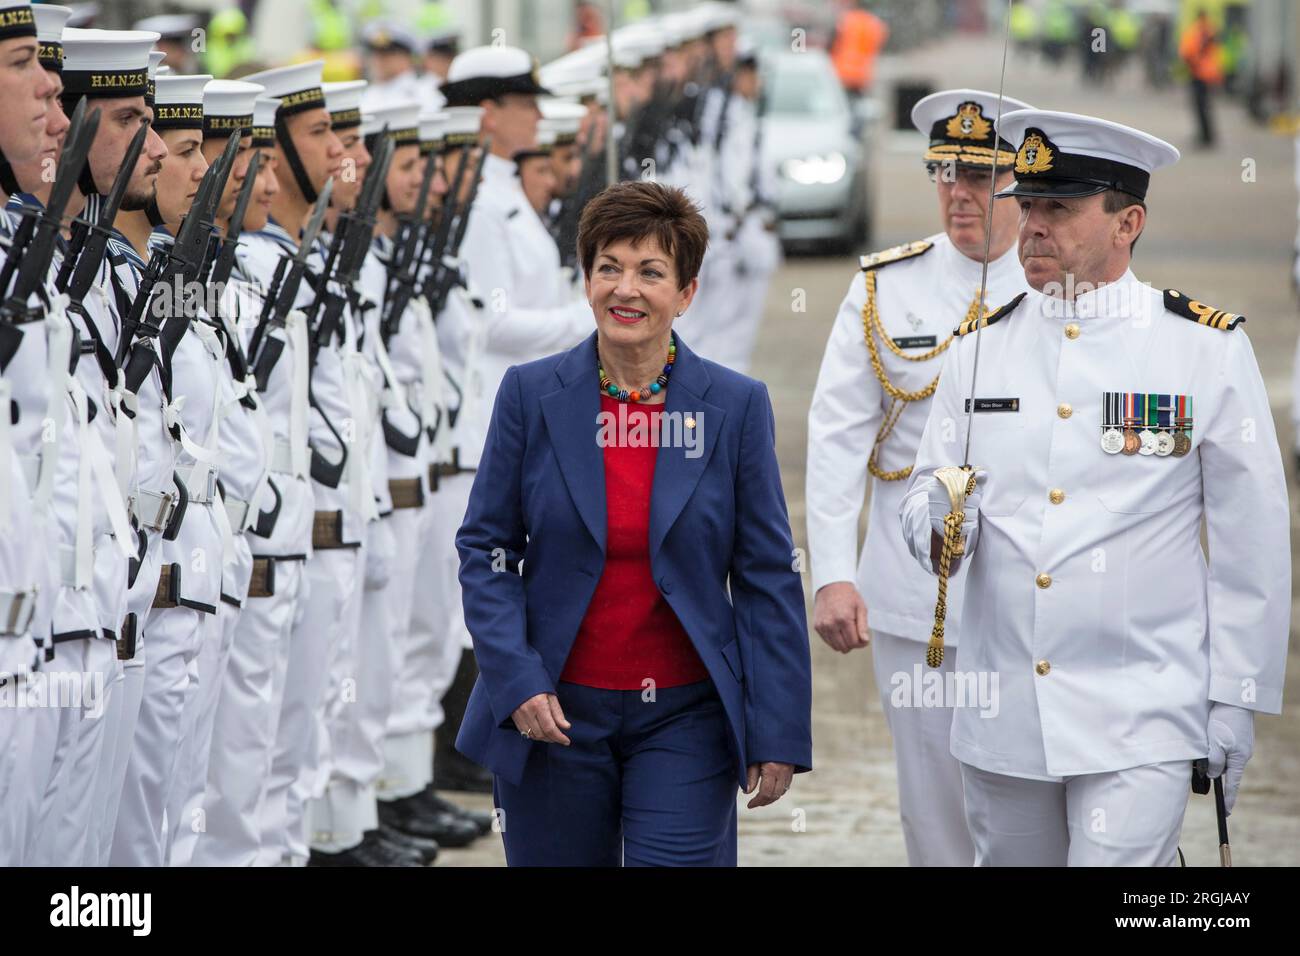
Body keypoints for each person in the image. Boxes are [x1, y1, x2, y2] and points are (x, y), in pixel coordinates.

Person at [900, 109, 1290, 866]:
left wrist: (1237, 698)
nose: (1033, 228)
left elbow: (1253, 539)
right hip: (1005, 710)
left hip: (1141, 711)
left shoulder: (1201, 348)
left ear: (1127, 222)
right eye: (1029, 206)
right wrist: (940, 520)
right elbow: (924, 497)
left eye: (1060, 208)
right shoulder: (980, 350)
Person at [455, 180, 813, 866]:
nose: (626, 289)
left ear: (686, 293)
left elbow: (768, 574)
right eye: (609, 267)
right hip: (551, 716)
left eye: (651, 272)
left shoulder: (735, 407)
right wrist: (515, 677)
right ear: (586, 280)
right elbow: (486, 548)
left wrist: (779, 727)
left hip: (686, 718)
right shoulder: (530, 396)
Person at [807, 88, 1033, 867]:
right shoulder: (885, 286)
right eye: (944, 172)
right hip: (914, 598)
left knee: (1026, 807)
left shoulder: (1058, 286)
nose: (957, 193)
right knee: (934, 815)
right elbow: (835, 437)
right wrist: (833, 574)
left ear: (1021, 181)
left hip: (1034, 595)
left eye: (980, 176)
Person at [1179, 9, 1223, 148]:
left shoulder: (1195, 31)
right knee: (1206, 107)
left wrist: (1191, 65)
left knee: (1200, 107)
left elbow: (1186, 52)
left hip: (1198, 74)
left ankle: (1204, 137)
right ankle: (1208, 135)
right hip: (1210, 74)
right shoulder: (1212, 30)